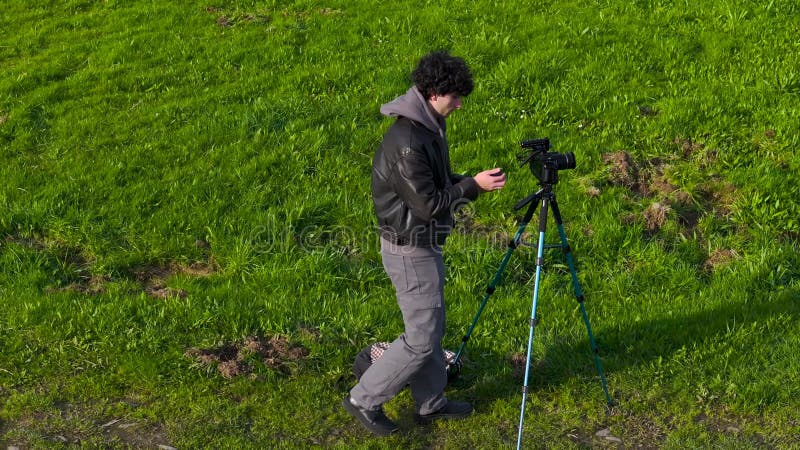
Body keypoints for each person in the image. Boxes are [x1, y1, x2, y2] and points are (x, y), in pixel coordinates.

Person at [342, 51, 506, 436]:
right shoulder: (409, 141)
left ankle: (431, 403)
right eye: (456, 96)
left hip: (420, 242)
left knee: (431, 326)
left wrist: (469, 182)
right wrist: (473, 187)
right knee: (420, 338)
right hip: (409, 248)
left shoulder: (428, 124)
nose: (460, 103)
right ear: (434, 93)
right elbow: (430, 204)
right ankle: (363, 398)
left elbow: (438, 182)